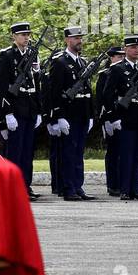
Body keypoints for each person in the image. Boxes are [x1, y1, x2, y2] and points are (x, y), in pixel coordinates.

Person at [0, 22, 43, 199]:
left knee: (27, 151)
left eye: (28, 34)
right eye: (22, 35)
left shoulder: (31, 53)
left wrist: (38, 110)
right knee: (15, 150)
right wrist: (7, 113)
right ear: (14, 36)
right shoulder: (7, 55)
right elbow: (2, 87)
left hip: (29, 107)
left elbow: (36, 85)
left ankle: (25, 185)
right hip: (15, 107)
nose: (26, 38)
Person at [47, 25, 96, 201]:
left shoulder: (82, 62)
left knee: (78, 153)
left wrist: (90, 114)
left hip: (82, 113)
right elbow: (54, 92)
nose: (79, 41)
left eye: (80, 38)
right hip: (69, 114)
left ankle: (78, 186)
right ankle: (68, 188)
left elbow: (88, 90)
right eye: (76, 38)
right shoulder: (59, 62)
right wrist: (58, 116)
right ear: (67, 40)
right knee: (68, 152)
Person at [102, 35, 138, 200]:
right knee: (126, 155)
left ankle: (136, 190)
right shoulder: (117, 69)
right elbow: (107, 95)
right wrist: (113, 117)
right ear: (125, 49)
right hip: (126, 116)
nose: (136, 50)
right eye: (132, 47)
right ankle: (124, 189)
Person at [97, 45, 124, 196]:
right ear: (111, 58)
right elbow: (102, 99)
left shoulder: (125, 71)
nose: (121, 58)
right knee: (113, 152)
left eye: (122, 55)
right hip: (110, 117)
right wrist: (107, 119)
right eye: (118, 56)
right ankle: (113, 185)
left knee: (122, 152)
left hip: (123, 116)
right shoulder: (105, 74)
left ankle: (121, 182)